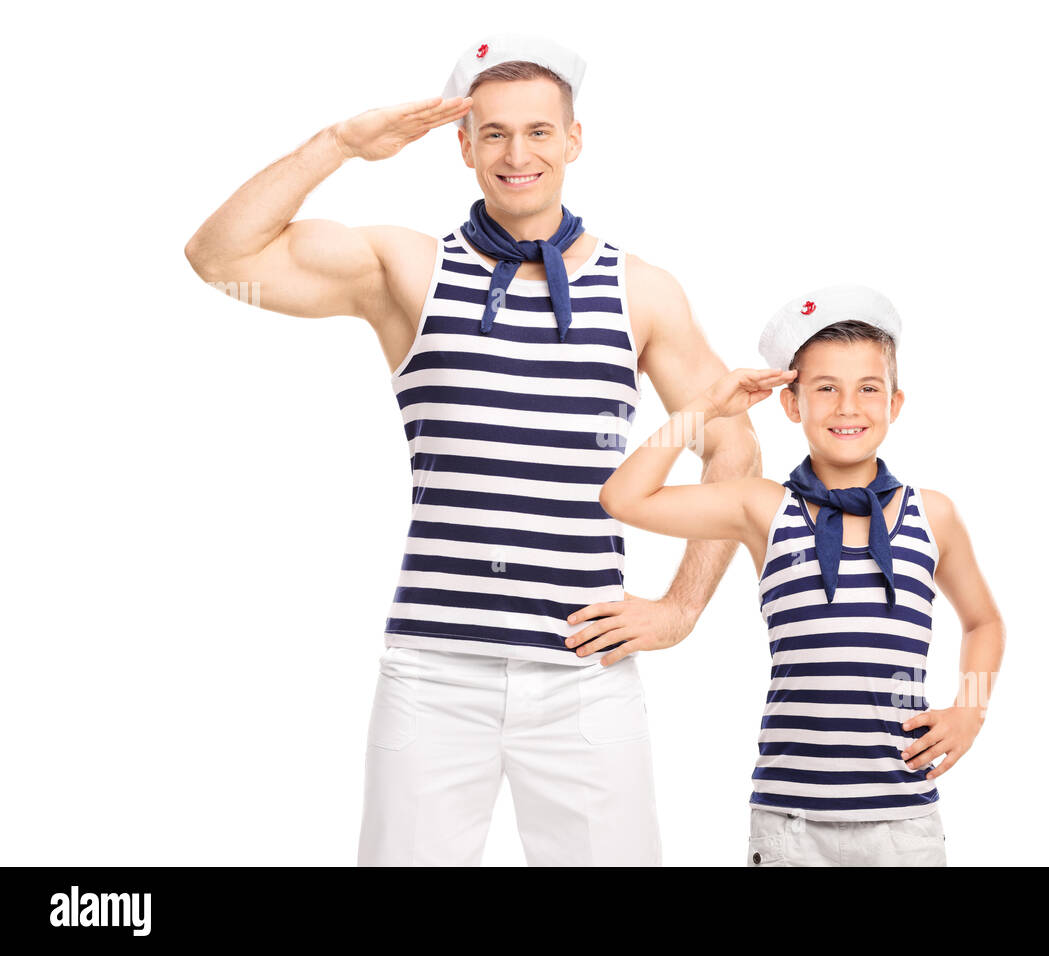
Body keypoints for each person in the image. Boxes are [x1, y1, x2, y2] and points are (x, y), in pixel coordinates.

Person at [182, 33, 761, 866]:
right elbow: (218, 257)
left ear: (573, 140)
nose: (516, 153)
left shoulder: (642, 292)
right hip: (432, 675)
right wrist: (340, 143)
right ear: (462, 146)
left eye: (537, 131)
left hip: (584, 676)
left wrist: (680, 609)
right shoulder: (409, 269)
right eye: (492, 133)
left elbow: (733, 447)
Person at [599, 284, 1006, 866]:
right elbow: (624, 497)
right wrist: (706, 407)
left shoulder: (931, 514)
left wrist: (970, 709)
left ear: (895, 403)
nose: (848, 407)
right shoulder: (764, 509)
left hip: (902, 822)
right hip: (790, 824)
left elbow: (984, 621)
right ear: (793, 405)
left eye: (869, 388)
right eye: (825, 389)